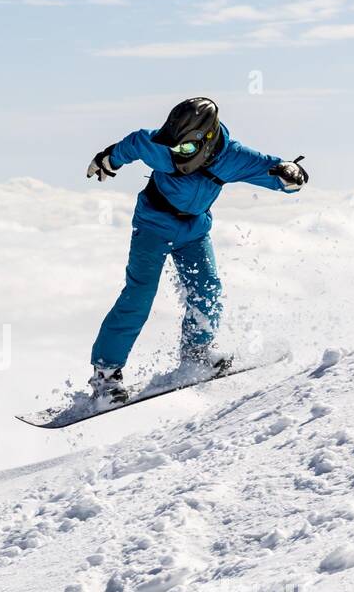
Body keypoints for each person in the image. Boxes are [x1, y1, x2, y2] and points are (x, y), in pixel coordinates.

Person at [85, 96, 308, 406]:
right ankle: (105, 377)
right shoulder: (161, 147)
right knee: (139, 296)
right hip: (152, 225)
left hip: (194, 231)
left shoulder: (231, 157)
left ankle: (196, 355)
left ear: (206, 141)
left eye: (186, 149)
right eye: (173, 146)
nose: (176, 154)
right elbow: (134, 143)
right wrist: (108, 160)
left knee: (207, 290)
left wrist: (291, 176)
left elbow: (272, 170)